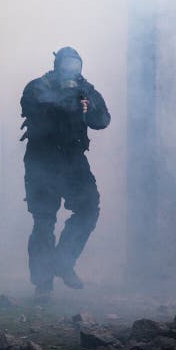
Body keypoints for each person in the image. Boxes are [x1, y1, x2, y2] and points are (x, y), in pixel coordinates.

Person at [20, 47, 111, 303]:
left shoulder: (86, 90)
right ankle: (42, 284)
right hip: (42, 161)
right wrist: (66, 103)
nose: (72, 70)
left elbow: (102, 120)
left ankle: (63, 261)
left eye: (76, 65)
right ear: (57, 65)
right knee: (44, 221)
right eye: (67, 65)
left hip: (73, 162)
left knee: (89, 208)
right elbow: (34, 109)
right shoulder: (38, 86)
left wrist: (87, 106)